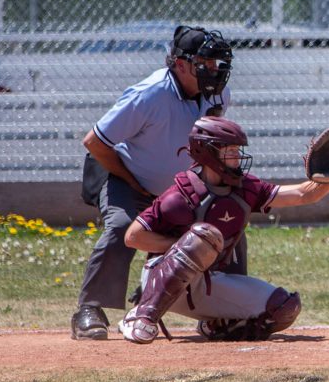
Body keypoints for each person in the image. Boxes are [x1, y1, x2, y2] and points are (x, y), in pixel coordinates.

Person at [70, 25, 235, 341]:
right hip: (122, 172)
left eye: (217, 64)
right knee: (122, 227)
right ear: (181, 64)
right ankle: (90, 308)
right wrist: (134, 182)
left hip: (175, 185)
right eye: (205, 64)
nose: (214, 72)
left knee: (221, 224)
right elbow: (95, 142)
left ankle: (214, 311)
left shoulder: (217, 93)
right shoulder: (150, 94)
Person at [117, 117, 329, 344]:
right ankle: (142, 315)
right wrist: (185, 247)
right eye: (229, 150)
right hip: (163, 284)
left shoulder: (246, 188)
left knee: (284, 307)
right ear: (207, 152)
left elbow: (305, 194)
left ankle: (217, 325)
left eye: (237, 149)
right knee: (202, 238)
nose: (236, 156)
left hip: (209, 282)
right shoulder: (180, 195)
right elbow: (133, 237)